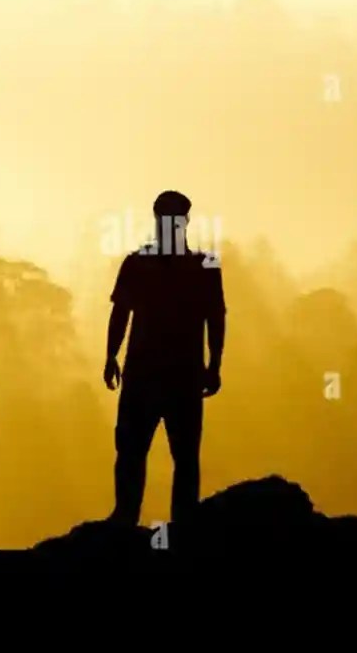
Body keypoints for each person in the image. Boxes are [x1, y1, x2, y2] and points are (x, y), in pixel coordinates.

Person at [103, 190, 226, 528]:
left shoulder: (202, 267)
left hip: (178, 376)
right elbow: (121, 313)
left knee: (181, 455)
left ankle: (176, 522)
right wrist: (111, 354)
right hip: (148, 373)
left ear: (184, 222)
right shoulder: (140, 264)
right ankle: (126, 516)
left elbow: (216, 318)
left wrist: (214, 365)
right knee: (132, 450)